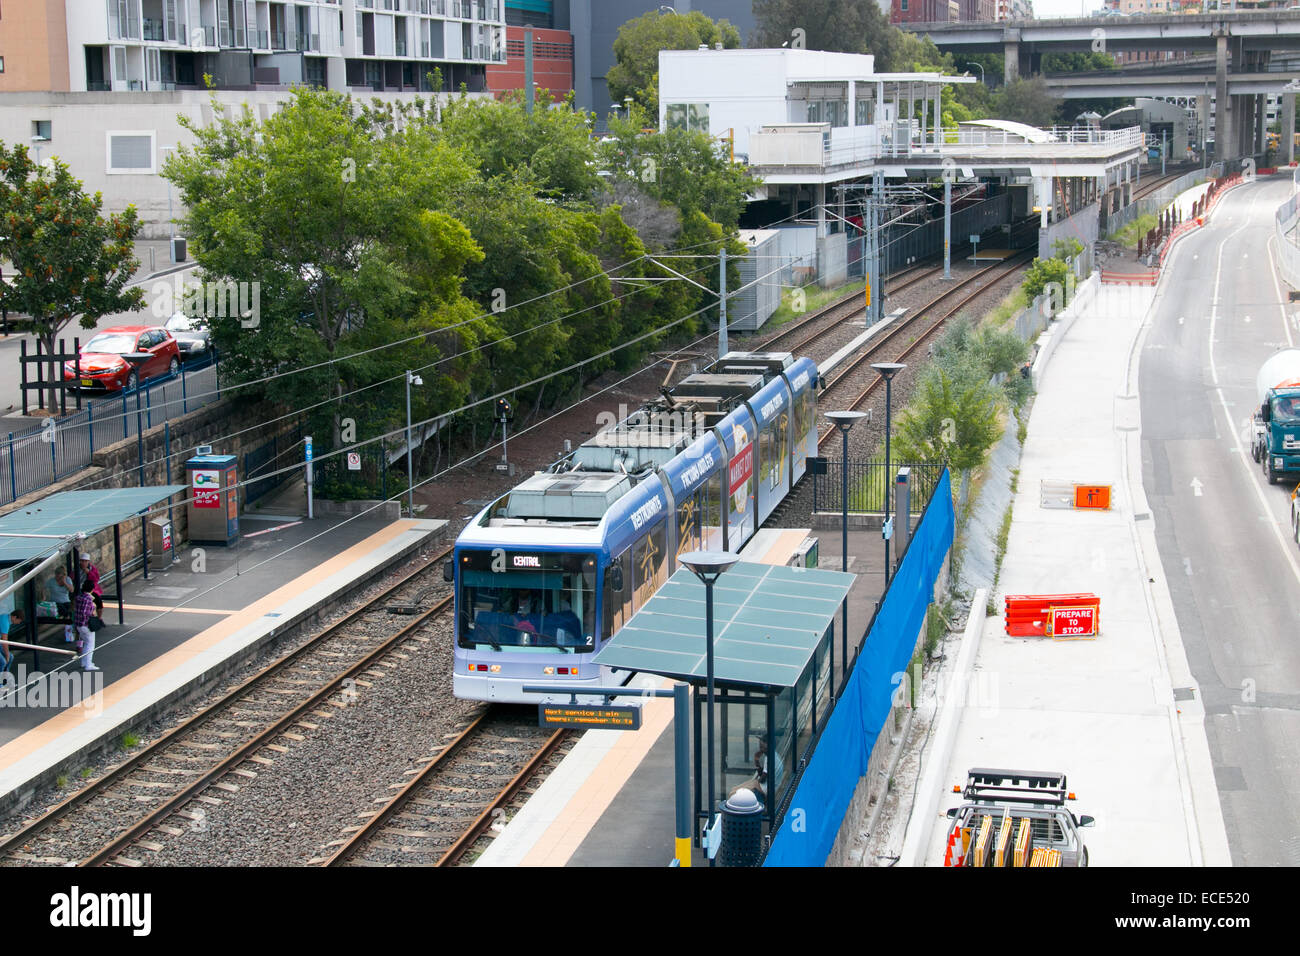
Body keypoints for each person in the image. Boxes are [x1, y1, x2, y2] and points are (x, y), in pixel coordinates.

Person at [71, 588, 99, 672]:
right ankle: (88, 664)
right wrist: (93, 608)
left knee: (86, 643)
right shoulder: (89, 600)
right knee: (90, 644)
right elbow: (86, 613)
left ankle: (84, 662)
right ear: (92, 589)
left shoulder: (79, 598)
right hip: (86, 625)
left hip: (79, 625)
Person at [79, 553, 104, 617]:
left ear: (88, 562)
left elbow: (96, 579)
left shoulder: (92, 568)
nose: (84, 563)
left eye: (86, 561)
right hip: (80, 589)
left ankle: (99, 618)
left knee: (98, 601)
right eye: (82, 561)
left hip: (91, 589)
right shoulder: (77, 569)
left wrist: (89, 573)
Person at [0, 608, 24, 673]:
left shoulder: (6, 617)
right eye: (19, 621)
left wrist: (8, 655)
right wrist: (7, 655)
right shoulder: (5, 622)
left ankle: (6, 677)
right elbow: (5, 641)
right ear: (15, 617)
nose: (19, 623)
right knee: (2, 662)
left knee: (11, 657)